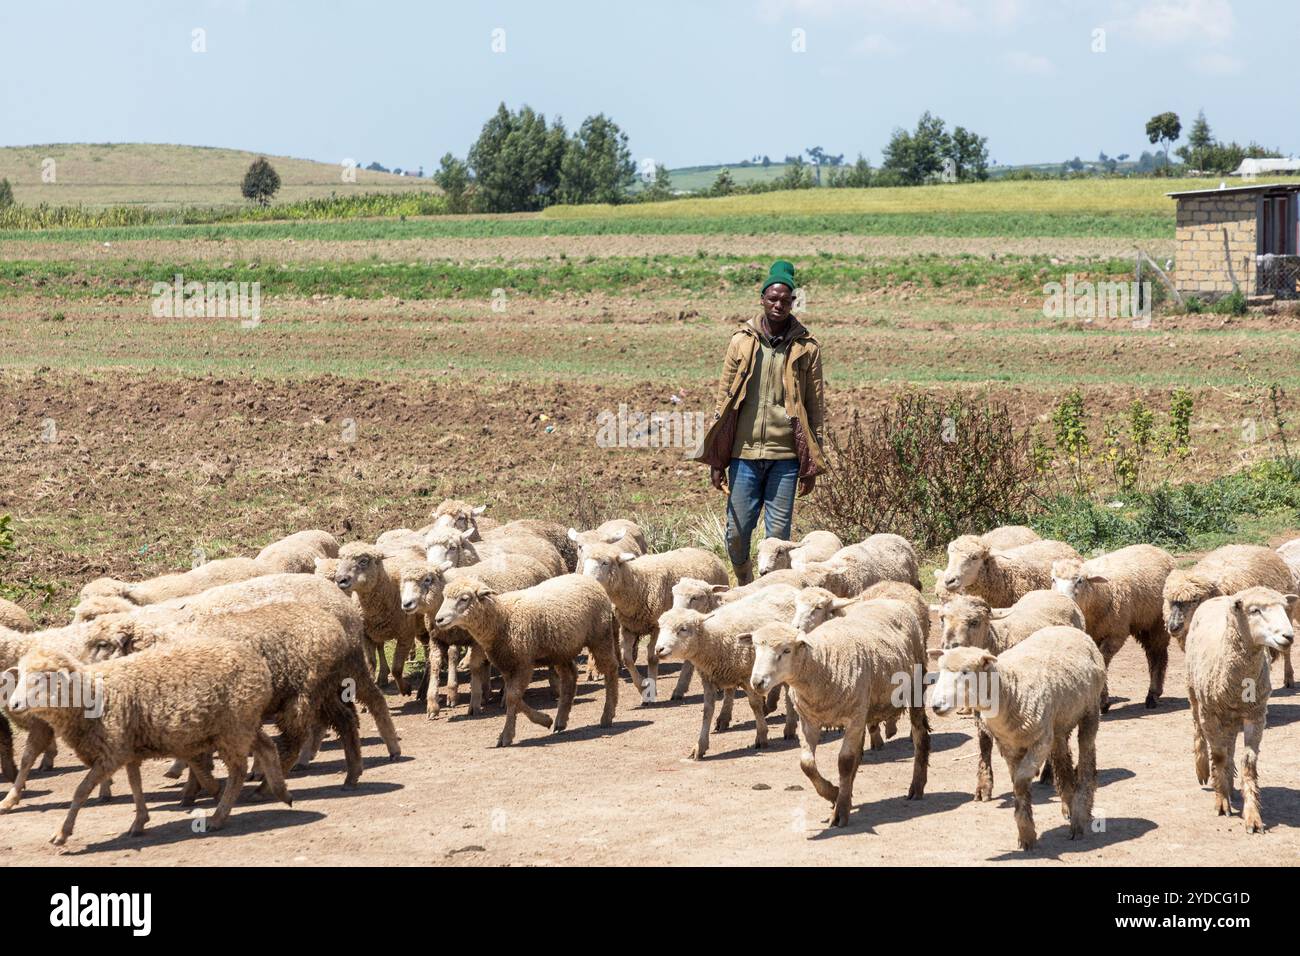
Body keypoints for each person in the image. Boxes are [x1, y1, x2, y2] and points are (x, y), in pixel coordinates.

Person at [690, 260, 826, 584]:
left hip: (786, 458)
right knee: (737, 534)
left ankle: (768, 597)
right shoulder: (741, 341)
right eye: (772, 298)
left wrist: (812, 463)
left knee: (777, 542)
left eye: (785, 299)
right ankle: (745, 581)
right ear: (762, 298)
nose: (778, 304)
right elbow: (722, 400)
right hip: (744, 455)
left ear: (793, 302)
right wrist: (717, 457)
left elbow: (815, 407)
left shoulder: (807, 348)